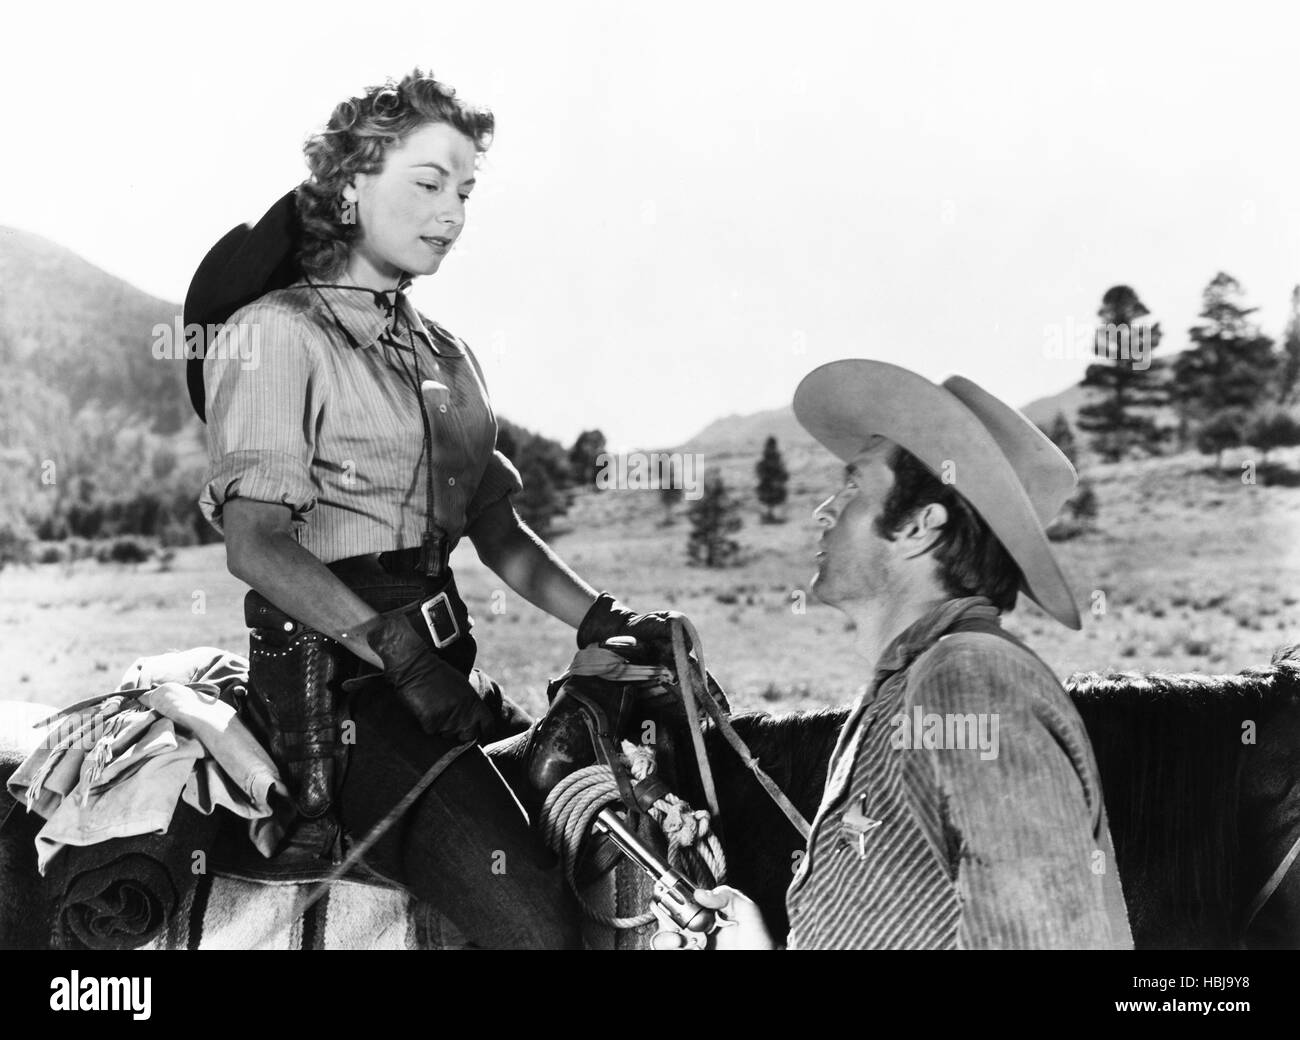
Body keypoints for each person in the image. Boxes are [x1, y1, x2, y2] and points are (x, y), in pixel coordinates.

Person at [191, 70, 676, 950]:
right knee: (541, 929)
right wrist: (399, 654)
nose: (452, 213)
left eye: (464, 191)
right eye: (427, 184)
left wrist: (606, 617)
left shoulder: (447, 354)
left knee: (612, 850)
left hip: (449, 678)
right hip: (336, 695)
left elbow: (500, 532)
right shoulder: (275, 335)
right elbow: (256, 545)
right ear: (348, 186)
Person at [659, 360, 1133, 950]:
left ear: (920, 527)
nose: (825, 509)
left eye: (855, 484)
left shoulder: (968, 680)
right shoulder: (916, 685)